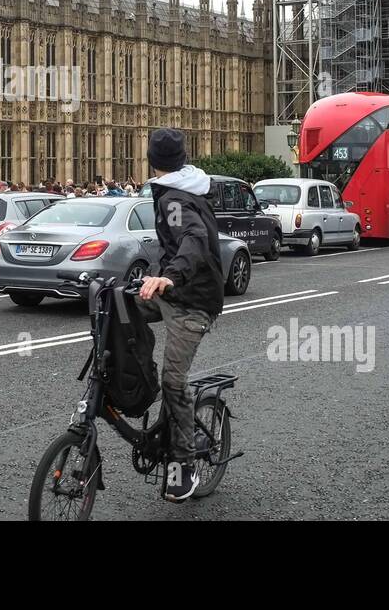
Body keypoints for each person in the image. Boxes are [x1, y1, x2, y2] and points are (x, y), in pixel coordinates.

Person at [137, 127, 225, 503]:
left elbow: (193, 239)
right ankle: (132, 381)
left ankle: (184, 464)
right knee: (119, 307)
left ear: (151, 160)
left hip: (192, 299)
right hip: (175, 290)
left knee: (174, 381)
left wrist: (168, 277)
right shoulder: (181, 188)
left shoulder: (174, 198)